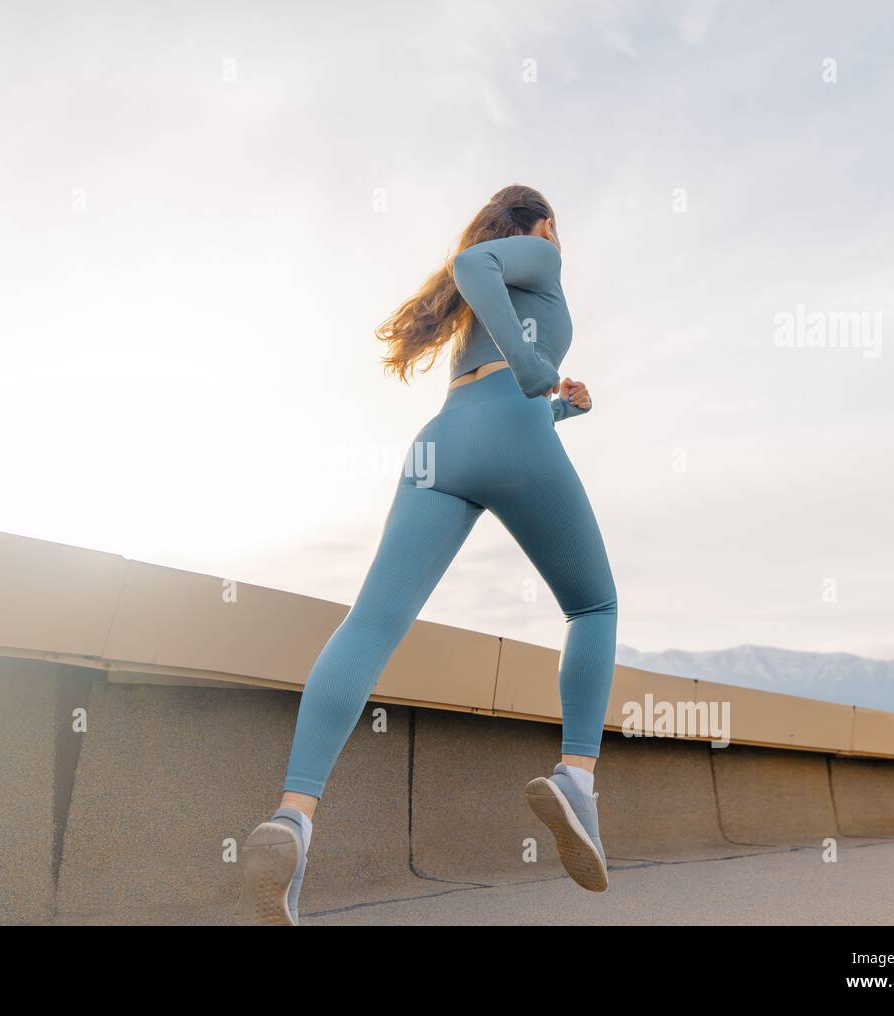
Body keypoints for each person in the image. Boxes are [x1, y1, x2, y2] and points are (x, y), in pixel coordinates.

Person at [236, 185, 618, 925]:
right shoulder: (535, 254)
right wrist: (537, 372)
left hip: (442, 447)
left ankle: (293, 817)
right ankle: (576, 778)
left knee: (372, 622)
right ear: (544, 225)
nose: (558, 242)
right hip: (511, 436)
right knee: (594, 605)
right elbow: (475, 264)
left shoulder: (490, 293)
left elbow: (492, 386)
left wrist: (559, 405)